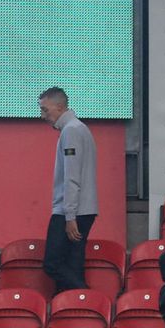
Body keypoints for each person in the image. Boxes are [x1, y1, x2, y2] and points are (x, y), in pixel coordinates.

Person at [36, 86, 99, 293]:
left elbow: (72, 177)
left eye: (46, 110)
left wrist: (69, 215)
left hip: (71, 211)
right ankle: (73, 306)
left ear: (60, 106)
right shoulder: (80, 128)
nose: (43, 115)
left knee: (52, 263)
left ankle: (87, 296)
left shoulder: (71, 131)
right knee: (72, 264)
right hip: (84, 209)